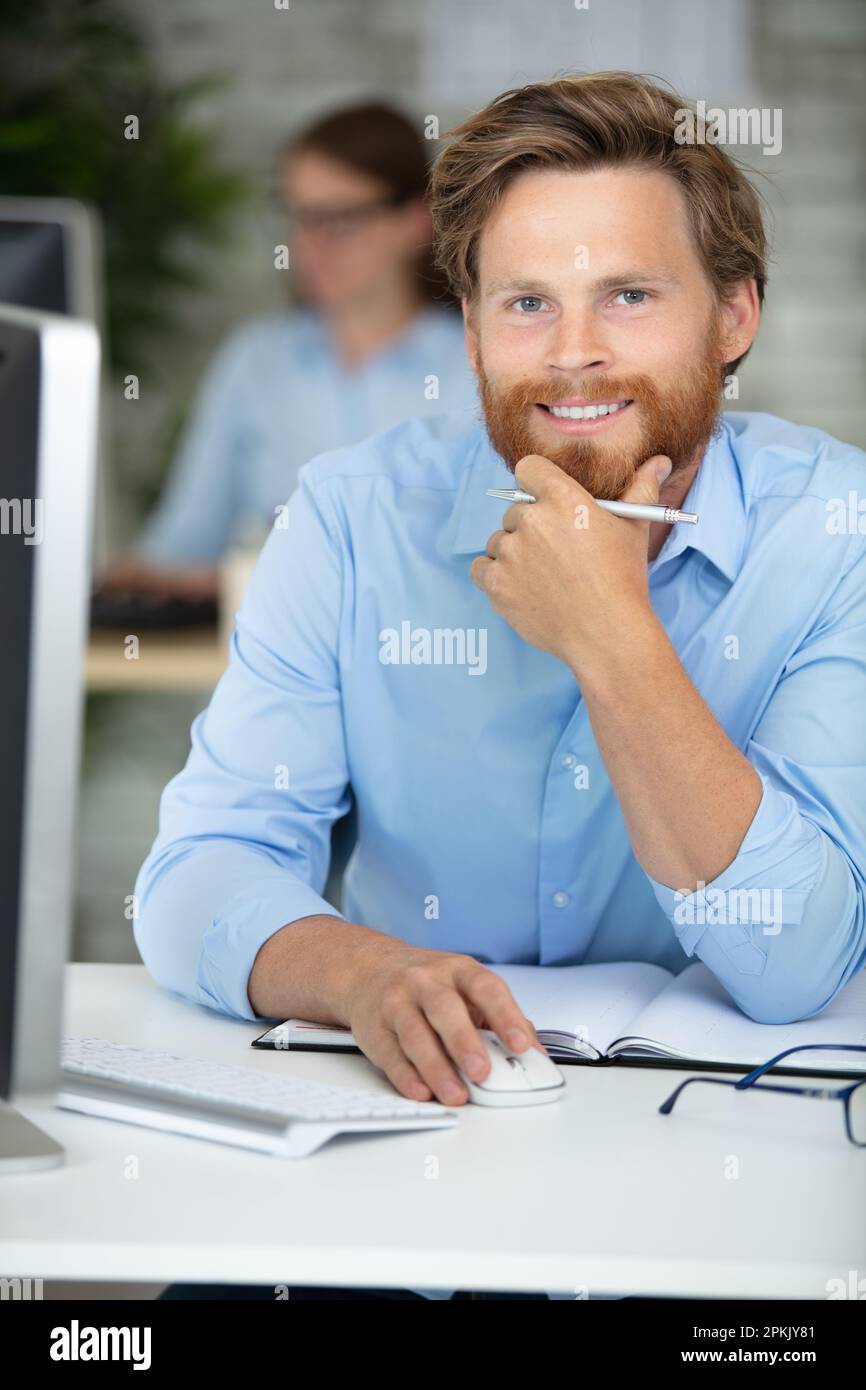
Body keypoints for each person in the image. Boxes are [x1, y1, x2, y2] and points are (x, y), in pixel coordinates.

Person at [136, 71, 866, 1300]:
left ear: (731, 314)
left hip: (705, 1206)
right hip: (382, 1173)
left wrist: (611, 634)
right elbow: (195, 875)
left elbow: (789, 954)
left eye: (627, 295)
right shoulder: (352, 516)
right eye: (526, 302)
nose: (572, 352)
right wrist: (355, 969)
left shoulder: (836, 532)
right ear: (468, 330)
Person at [97, 101, 479, 601]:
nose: (309, 244)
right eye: (298, 216)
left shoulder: (473, 366)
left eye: (338, 218)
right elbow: (182, 543)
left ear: (413, 220)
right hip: (257, 657)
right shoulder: (255, 359)